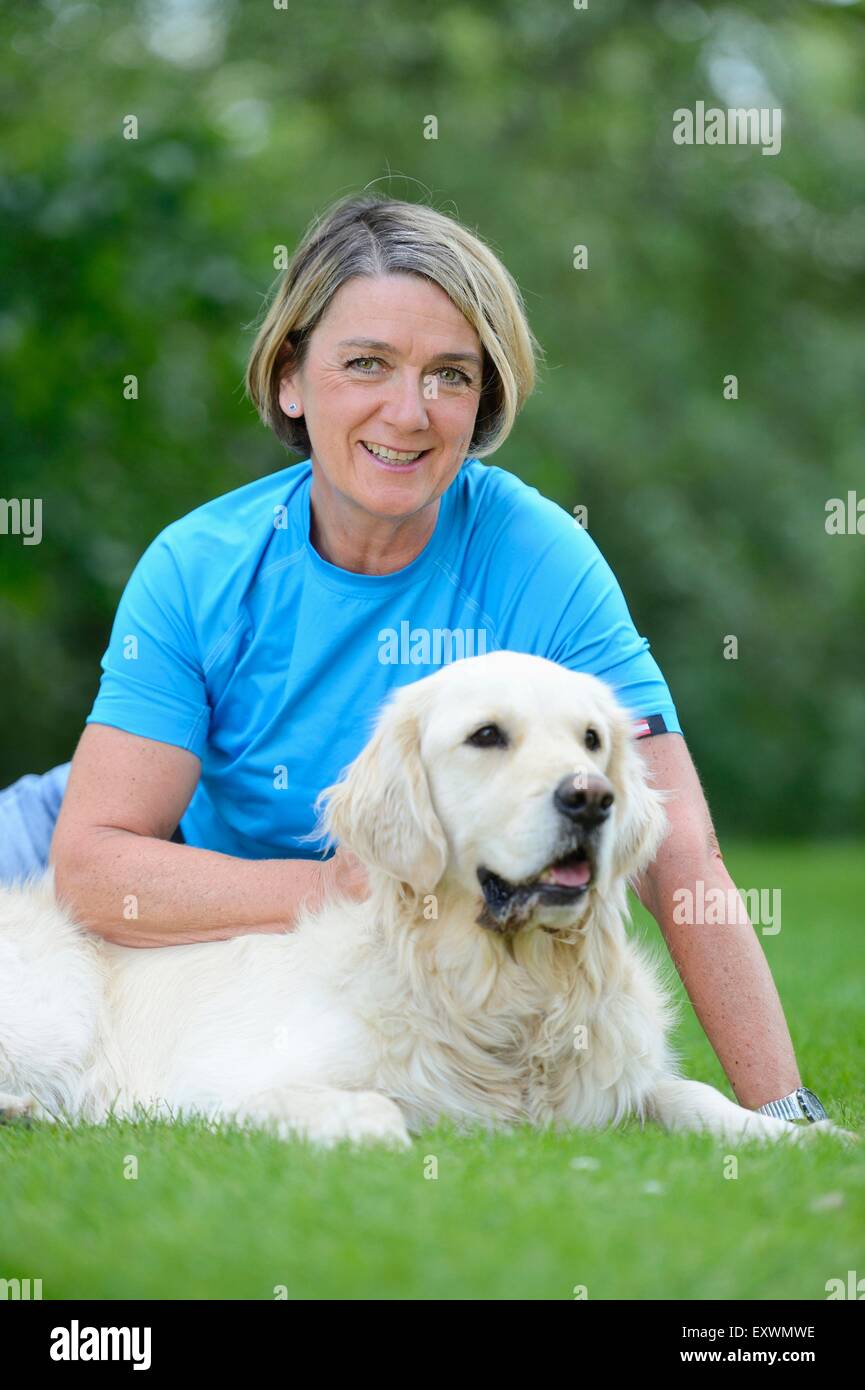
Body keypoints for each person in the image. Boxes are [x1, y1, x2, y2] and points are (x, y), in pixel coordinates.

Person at [0, 193, 826, 1126]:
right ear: (289, 380)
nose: (409, 411)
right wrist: (359, 885)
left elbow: (675, 846)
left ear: (483, 402)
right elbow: (97, 869)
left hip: (310, 966)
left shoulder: (539, 559)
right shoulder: (198, 564)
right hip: (159, 865)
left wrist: (782, 1110)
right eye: (365, 364)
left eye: (450, 375)